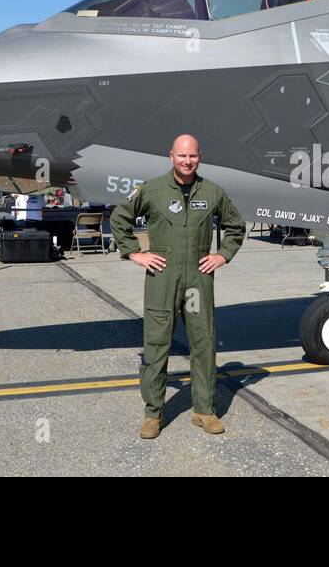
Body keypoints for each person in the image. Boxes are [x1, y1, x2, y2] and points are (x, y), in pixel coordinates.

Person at [110, 134, 246, 439]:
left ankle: (203, 411)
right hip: (163, 279)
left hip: (197, 281)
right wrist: (134, 252)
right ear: (171, 156)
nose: (188, 161)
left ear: (200, 157)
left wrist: (223, 254)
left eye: (193, 156)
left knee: (203, 344)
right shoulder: (152, 190)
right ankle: (152, 414)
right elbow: (120, 218)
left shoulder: (213, 192)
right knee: (156, 345)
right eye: (182, 156)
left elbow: (235, 225)